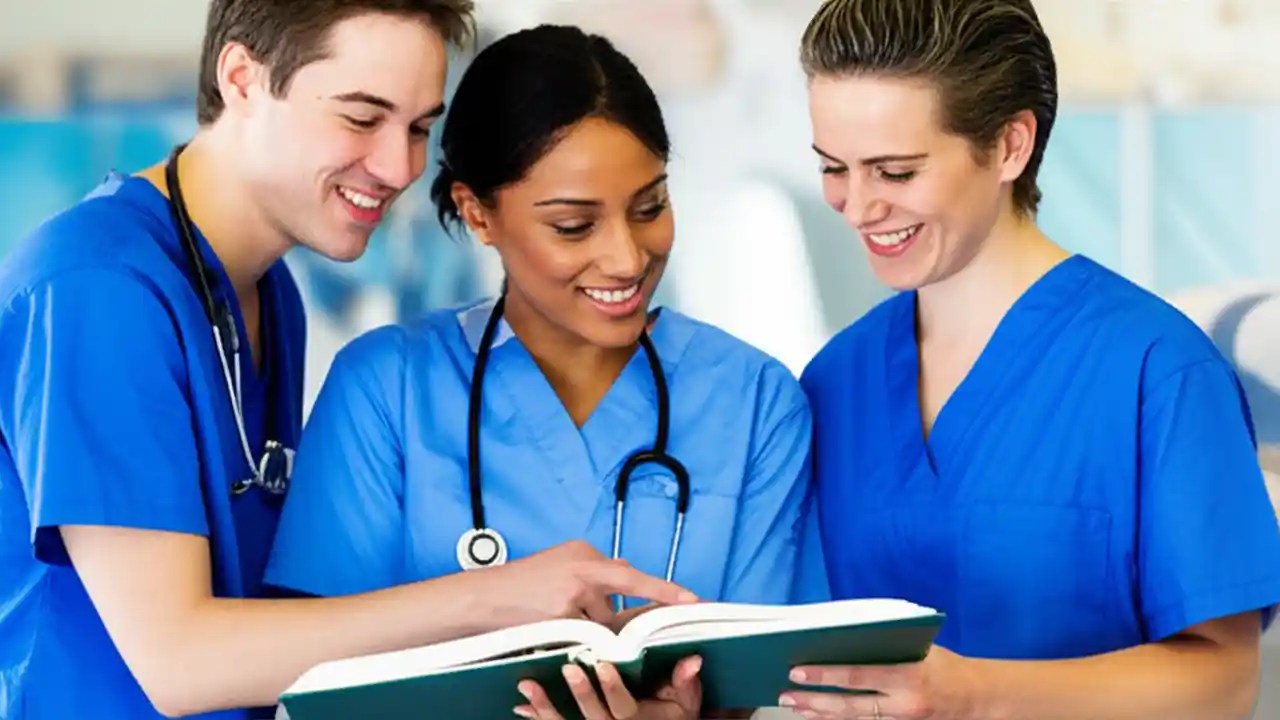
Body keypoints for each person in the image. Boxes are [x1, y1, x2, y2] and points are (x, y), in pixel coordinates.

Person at [0, 4, 700, 720]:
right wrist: (499, 599)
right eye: (362, 119)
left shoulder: (268, 292)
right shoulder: (97, 287)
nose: (401, 167)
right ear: (242, 79)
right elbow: (179, 661)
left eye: (419, 128)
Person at [264, 23, 829, 720]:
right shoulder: (387, 389)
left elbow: (760, 681)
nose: (626, 258)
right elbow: (312, 682)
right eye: (573, 226)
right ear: (477, 214)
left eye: (649, 207)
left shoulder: (754, 400)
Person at [775, 1, 1280, 718]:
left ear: (1011, 146)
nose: (857, 207)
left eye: (895, 172)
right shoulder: (835, 381)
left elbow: (1224, 685)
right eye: (834, 168)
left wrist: (970, 695)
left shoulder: (1158, 371)